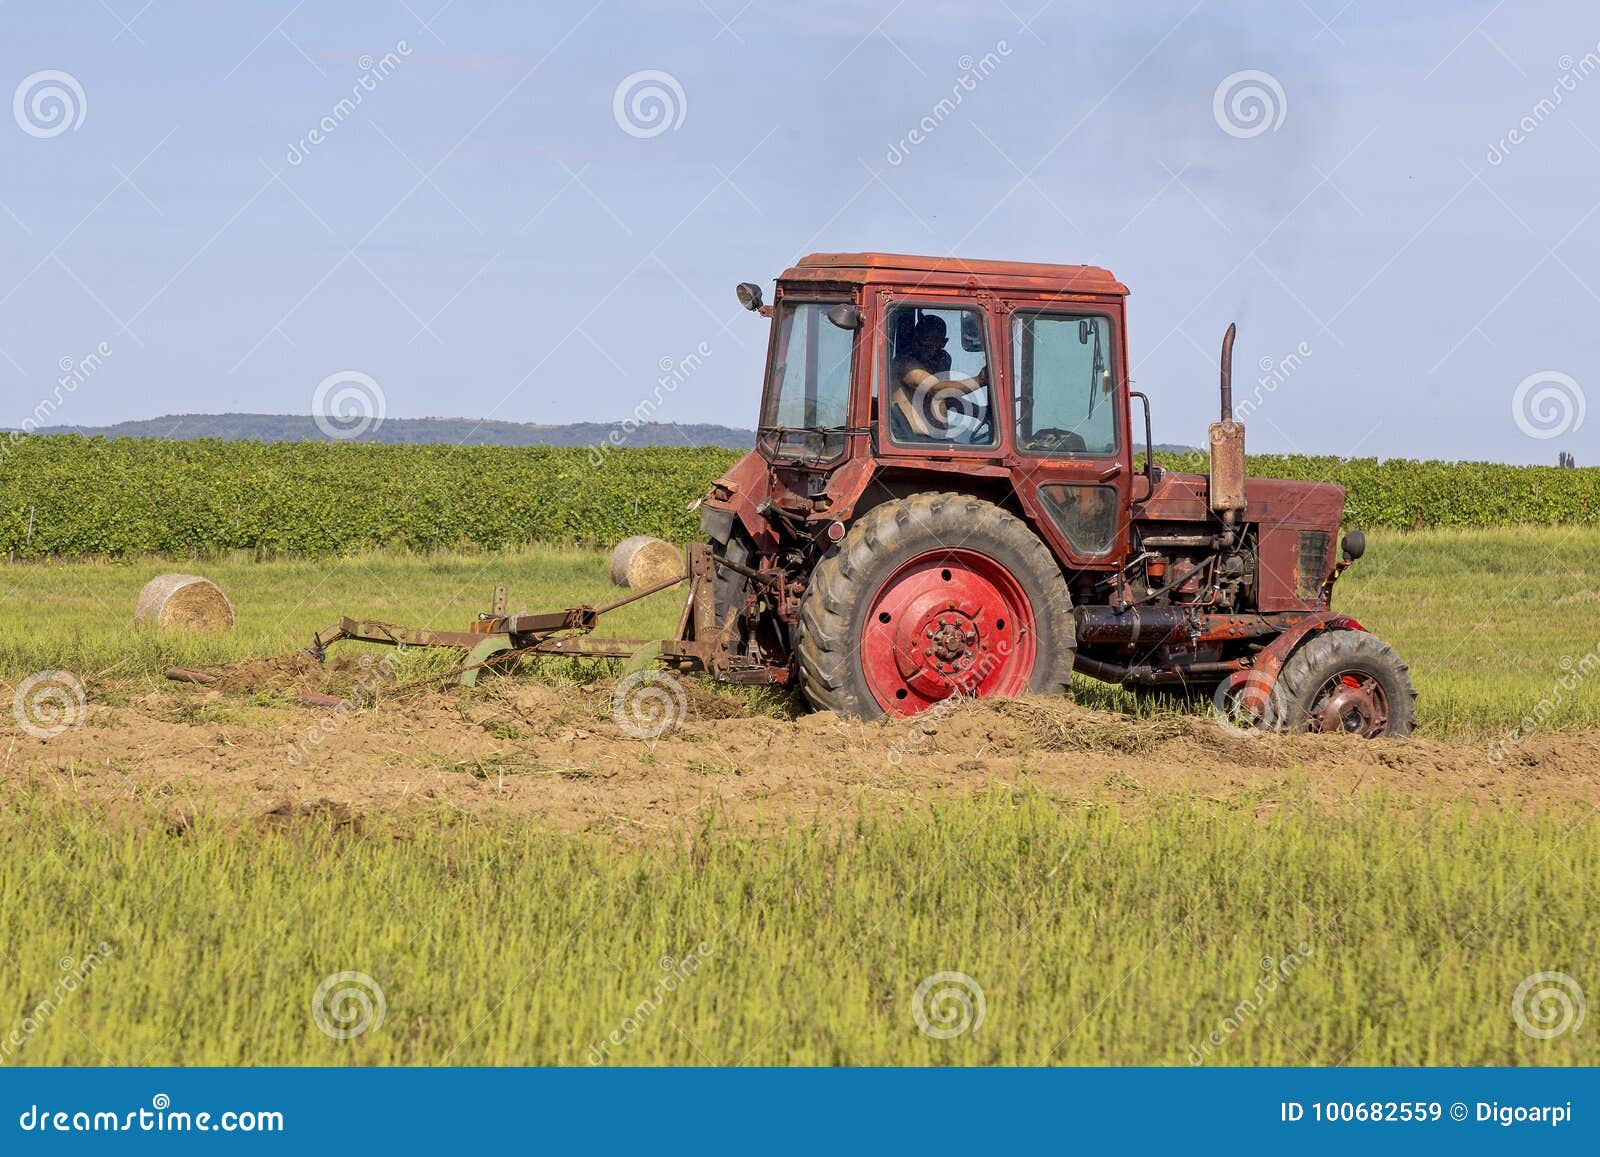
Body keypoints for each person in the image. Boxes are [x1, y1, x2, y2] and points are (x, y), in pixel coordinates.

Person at [888, 314, 988, 441]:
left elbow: (945, 397)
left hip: (936, 441)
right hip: (912, 441)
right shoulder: (905, 364)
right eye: (921, 341)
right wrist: (980, 380)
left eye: (931, 344)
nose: (925, 347)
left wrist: (980, 412)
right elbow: (937, 390)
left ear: (943, 343)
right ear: (914, 338)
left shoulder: (941, 360)